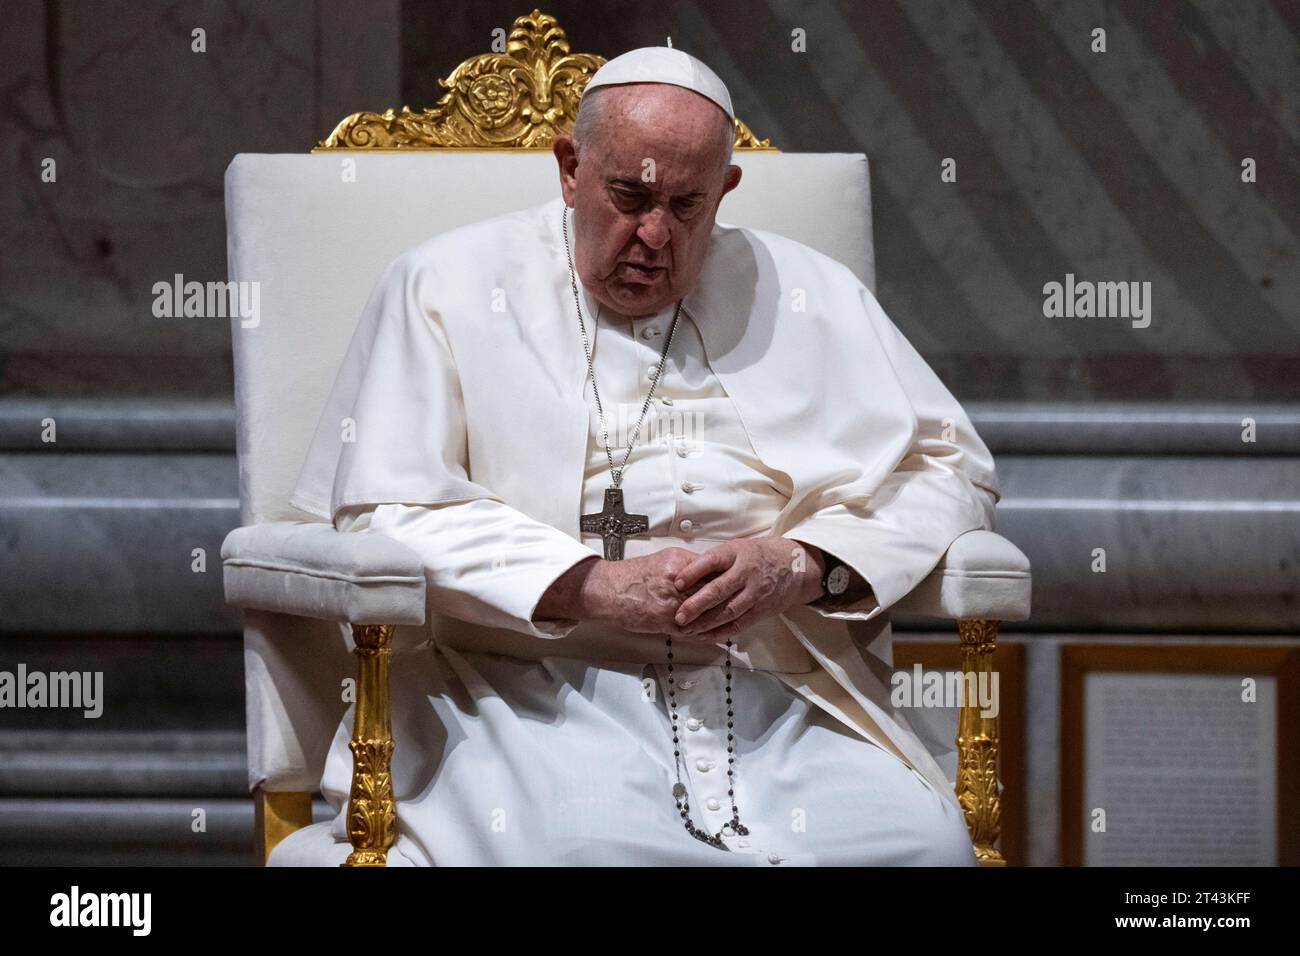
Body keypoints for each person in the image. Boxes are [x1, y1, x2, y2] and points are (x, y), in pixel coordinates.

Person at [275, 46, 1000, 866]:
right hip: (528, 689)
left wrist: (806, 565)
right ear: (568, 168)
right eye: (629, 196)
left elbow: (952, 469)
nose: (654, 236)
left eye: (687, 206)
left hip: (773, 689)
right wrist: (591, 585)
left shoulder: (810, 292)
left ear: (725, 192)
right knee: (596, 849)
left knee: (925, 845)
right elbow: (385, 510)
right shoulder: (443, 285)